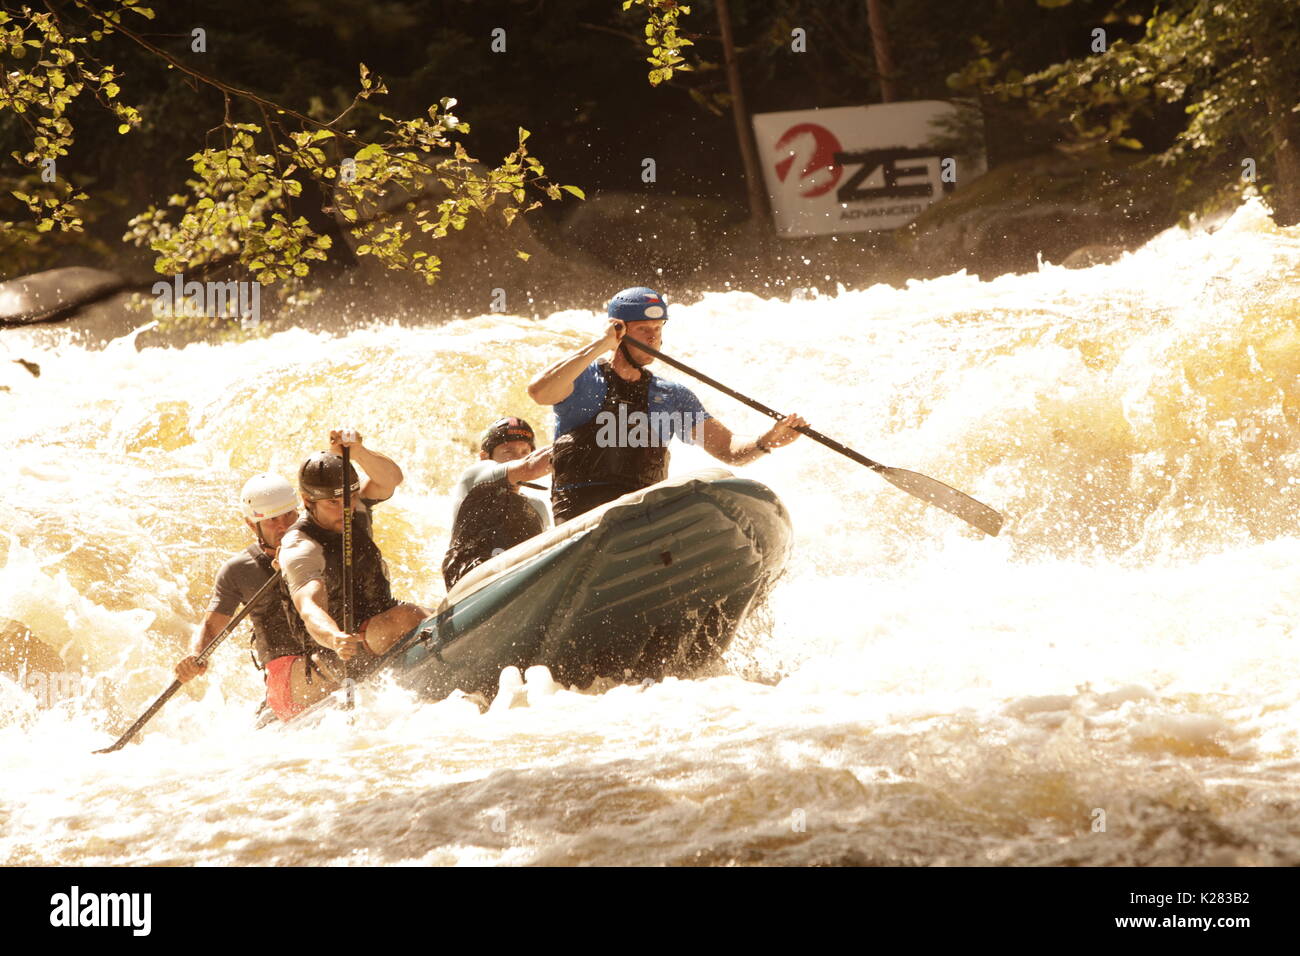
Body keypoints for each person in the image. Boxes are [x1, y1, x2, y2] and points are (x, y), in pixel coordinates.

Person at [527, 286, 807, 523]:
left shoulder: (672, 397)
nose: (653, 338)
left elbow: (729, 450)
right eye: (643, 329)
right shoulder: (582, 380)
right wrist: (602, 345)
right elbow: (539, 392)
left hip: (642, 516)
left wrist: (767, 440)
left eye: (658, 329)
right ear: (618, 331)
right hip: (581, 518)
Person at [276, 428, 428, 715]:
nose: (344, 508)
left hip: (378, 619)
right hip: (341, 649)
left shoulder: (354, 506)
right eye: (333, 503)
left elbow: (390, 479)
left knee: (437, 609)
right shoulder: (300, 546)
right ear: (308, 502)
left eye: (350, 497)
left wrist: (357, 452)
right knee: (410, 616)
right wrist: (334, 637)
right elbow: (308, 606)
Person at [174, 473, 316, 718]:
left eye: (288, 516)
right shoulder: (238, 570)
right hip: (286, 675)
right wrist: (196, 656)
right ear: (253, 525)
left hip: (327, 655)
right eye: (272, 520)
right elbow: (210, 627)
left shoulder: (320, 545)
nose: (283, 526)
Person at [442, 416, 553, 589]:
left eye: (525, 452)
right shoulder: (474, 476)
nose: (518, 458)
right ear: (485, 457)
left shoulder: (537, 506)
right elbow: (530, 467)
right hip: (469, 583)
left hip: (518, 584)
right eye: (508, 452)